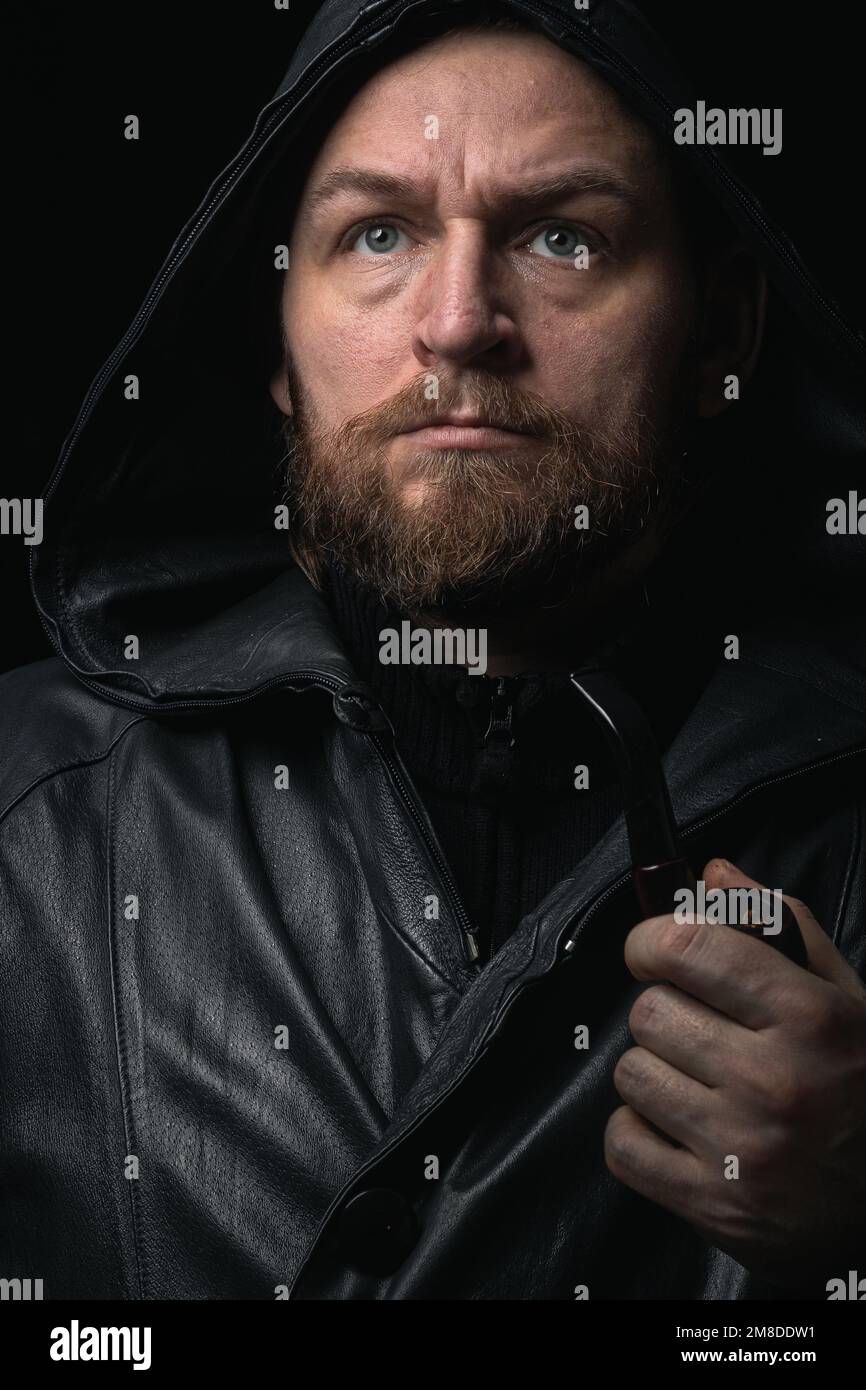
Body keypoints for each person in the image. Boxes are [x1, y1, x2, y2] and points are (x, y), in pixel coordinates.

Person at [1, 0, 864, 1301]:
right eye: (379, 234)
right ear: (279, 347)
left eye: (563, 236)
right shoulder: (24, 816)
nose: (457, 321)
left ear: (721, 331)